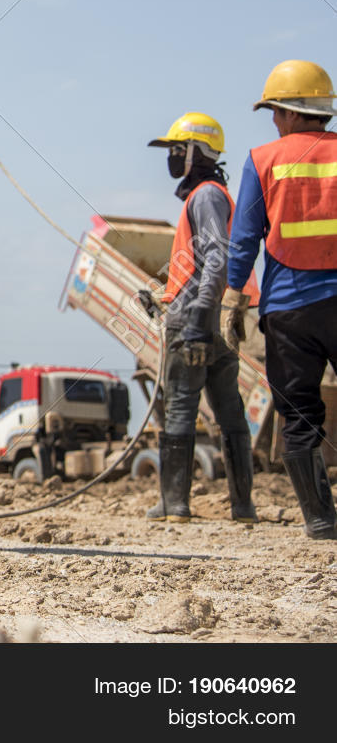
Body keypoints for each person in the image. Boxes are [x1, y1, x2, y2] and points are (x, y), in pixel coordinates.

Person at [224, 60, 337, 540]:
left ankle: (321, 520)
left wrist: (234, 296)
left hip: (289, 309)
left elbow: (244, 237)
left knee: (299, 412)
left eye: (274, 110)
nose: (272, 120)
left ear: (291, 112)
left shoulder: (263, 160)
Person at [143, 112, 256, 524]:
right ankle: (243, 507)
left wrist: (194, 322)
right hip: (216, 319)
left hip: (196, 322)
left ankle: (174, 504)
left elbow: (216, 260)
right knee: (230, 411)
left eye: (177, 149)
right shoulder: (216, 195)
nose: (171, 158)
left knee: (180, 408)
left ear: (197, 152)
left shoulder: (205, 196)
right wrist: (164, 298)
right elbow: (198, 270)